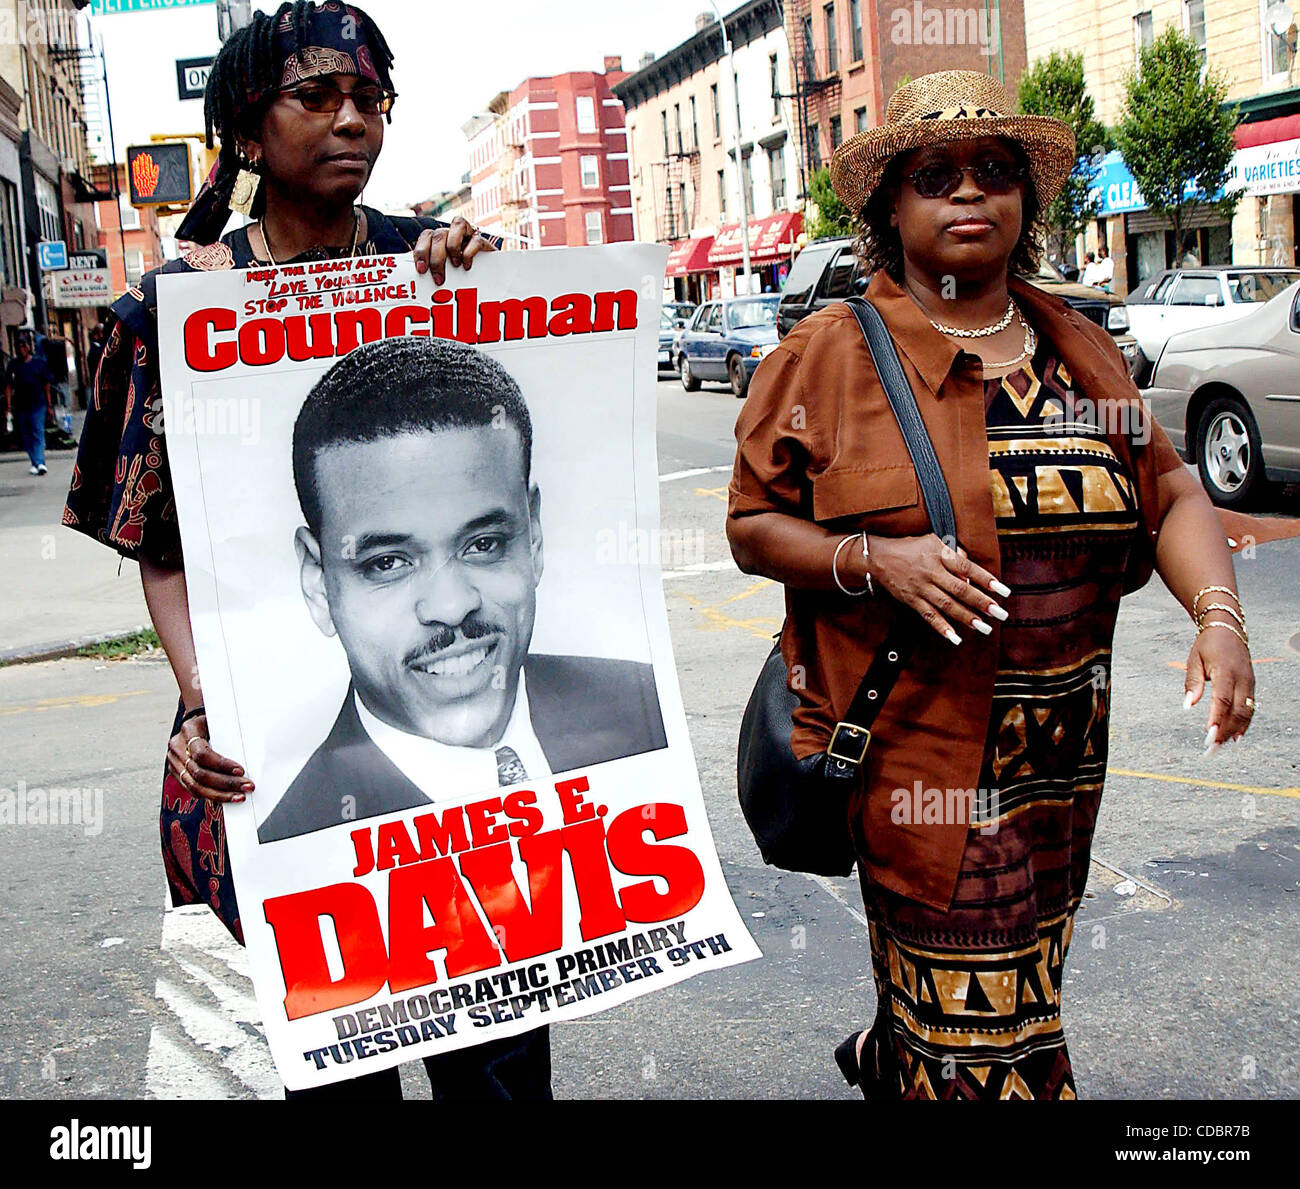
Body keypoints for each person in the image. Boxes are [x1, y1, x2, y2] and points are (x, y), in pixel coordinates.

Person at [726, 71, 1255, 1100]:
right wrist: (875, 559)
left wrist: (1219, 618)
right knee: (989, 1047)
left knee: (1018, 994)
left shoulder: (1078, 350)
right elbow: (751, 525)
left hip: (1063, 768)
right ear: (890, 208)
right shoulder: (827, 356)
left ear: (1027, 201)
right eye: (935, 175)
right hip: (923, 765)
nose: (969, 193)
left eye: (994, 172)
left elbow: (1173, 490)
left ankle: (894, 1053)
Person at [61, 1, 532, 1101]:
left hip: (469, 783)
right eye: (315, 96)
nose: (350, 120)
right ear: (245, 126)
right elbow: (163, 548)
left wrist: (487, 281)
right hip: (279, 751)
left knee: (499, 1066)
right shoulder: (174, 311)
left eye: (370, 99)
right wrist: (197, 698)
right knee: (333, 1064)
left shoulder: (441, 269)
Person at [259, 335, 667, 843]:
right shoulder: (293, 848)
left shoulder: (648, 712)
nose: (451, 606)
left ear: (533, 535)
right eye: (387, 563)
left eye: (484, 544)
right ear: (319, 584)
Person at [6, 331, 52, 475]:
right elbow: (8, 386)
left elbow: (46, 385)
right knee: (26, 436)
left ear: (28, 347)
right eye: (19, 346)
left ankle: (40, 462)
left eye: (23, 345)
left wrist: (49, 404)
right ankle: (34, 461)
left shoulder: (39, 363)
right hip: (21, 406)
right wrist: (8, 407)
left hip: (38, 403)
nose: (21, 349)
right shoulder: (13, 365)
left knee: (37, 432)